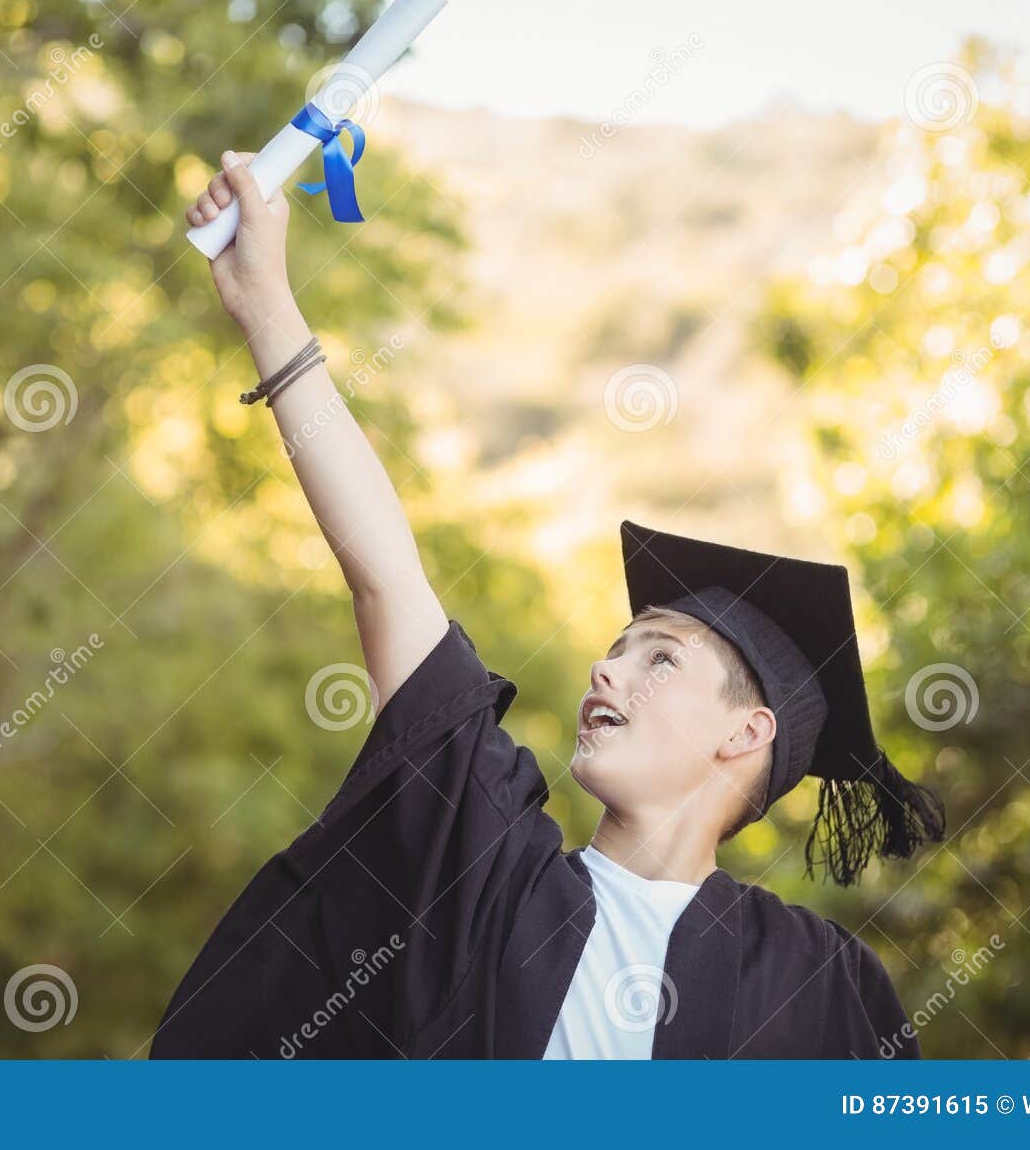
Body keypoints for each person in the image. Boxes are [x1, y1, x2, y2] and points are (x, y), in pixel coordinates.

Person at [149, 152, 945, 1059]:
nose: (607, 668)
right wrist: (265, 306)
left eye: (662, 658)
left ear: (745, 733)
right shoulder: (489, 878)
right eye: (620, 645)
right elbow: (386, 575)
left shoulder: (823, 984)